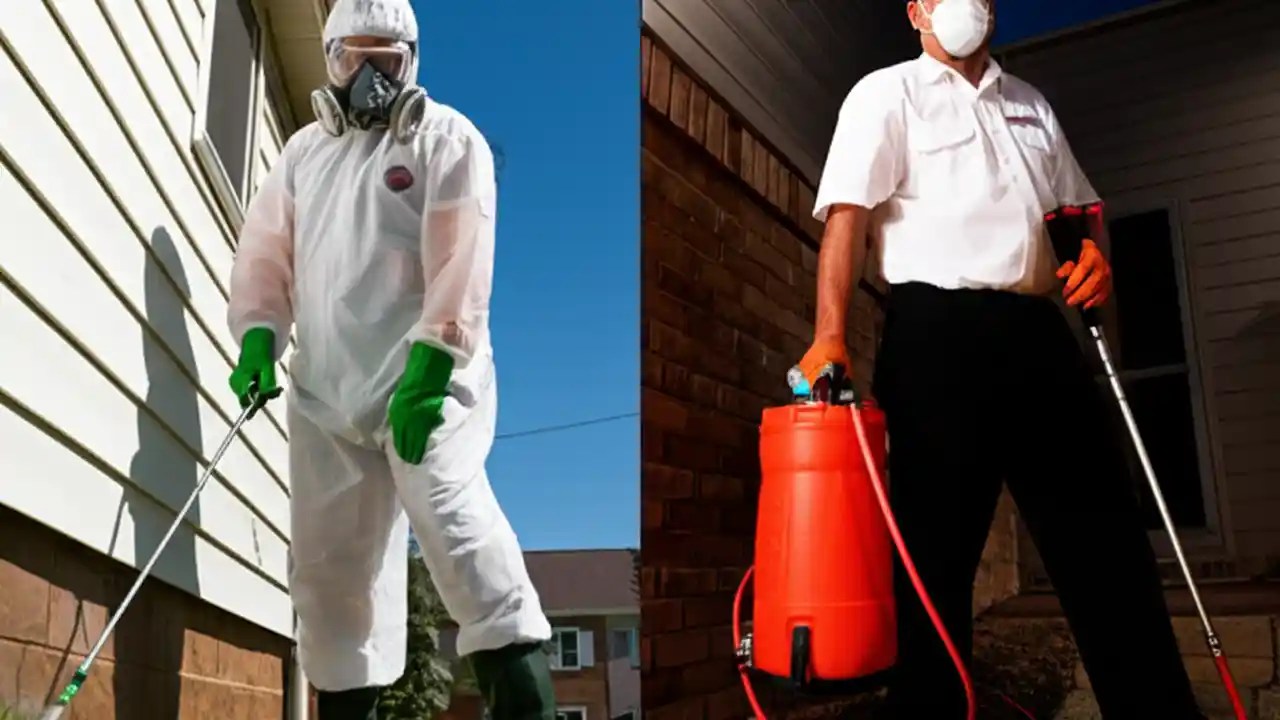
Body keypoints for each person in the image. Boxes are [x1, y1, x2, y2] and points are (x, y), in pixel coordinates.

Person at [794, 0, 1206, 717]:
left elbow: (1084, 211)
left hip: (1038, 331)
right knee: (931, 558)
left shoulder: (1030, 105)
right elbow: (848, 219)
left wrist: (1099, 263)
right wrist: (830, 333)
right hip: (935, 335)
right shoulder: (886, 93)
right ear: (916, 10)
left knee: (1105, 541)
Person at [224, 1, 555, 718]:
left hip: (426, 386)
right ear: (331, 58)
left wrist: (431, 366)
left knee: (456, 528)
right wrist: (258, 337)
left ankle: (529, 706)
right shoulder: (304, 154)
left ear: (411, 62)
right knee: (329, 569)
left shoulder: (445, 140)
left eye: (387, 62)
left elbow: (461, 262)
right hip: (326, 390)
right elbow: (266, 256)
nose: (369, 79)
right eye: (353, 60)